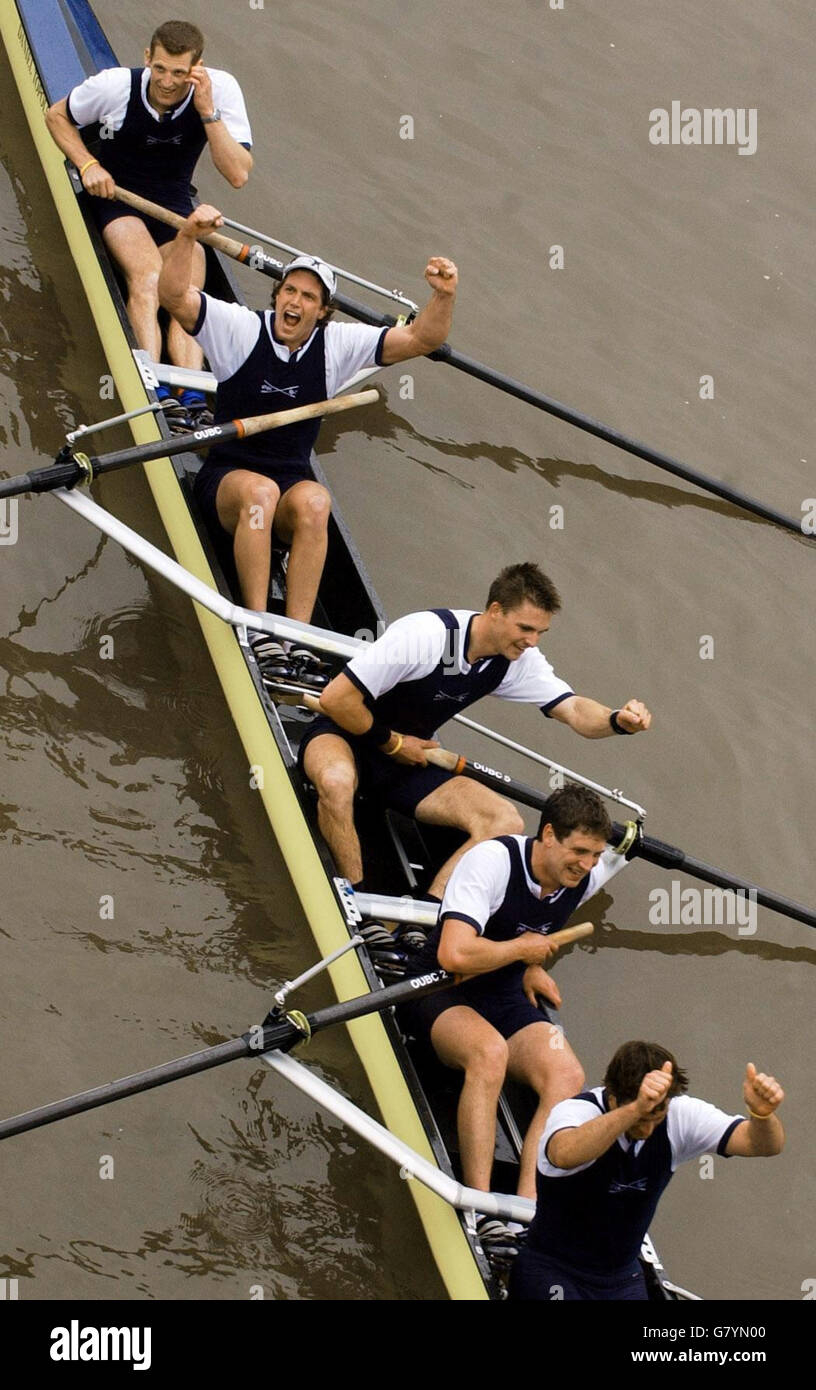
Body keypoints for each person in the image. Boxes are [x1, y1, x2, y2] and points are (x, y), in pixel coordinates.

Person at [158, 204, 458, 686]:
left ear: (322, 312)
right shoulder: (241, 328)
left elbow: (423, 338)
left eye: (309, 297)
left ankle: (296, 639)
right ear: (278, 295)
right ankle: (259, 628)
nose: (295, 302)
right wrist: (188, 237)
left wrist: (443, 295)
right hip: (227, 483)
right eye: (290, 291)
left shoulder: (337, 344)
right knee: (260, 493)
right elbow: (173, 295)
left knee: (317, 501)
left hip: (286, 490)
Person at [303, 561, 651, 894]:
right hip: (342, 736)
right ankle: (356, 901)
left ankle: (432, 914)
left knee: (506, 823)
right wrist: (392, 743)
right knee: (336, 782)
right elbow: (337, 700)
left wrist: (616, 720)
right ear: (495, 611)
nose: (532, 641)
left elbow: (573, 709)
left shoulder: (518, 661)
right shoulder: (425, 635)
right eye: (525, 629)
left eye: (540, 632)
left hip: (410, 762)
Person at [399, 785, 626, 1254]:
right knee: (490, 1054)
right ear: (548, 835)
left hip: (503, 995)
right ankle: (479, 1209)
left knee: (568, 1075)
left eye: (595, 855)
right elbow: (454, 953)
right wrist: (523, 951)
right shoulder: (491, 862)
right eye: (579, 852)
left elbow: (621, 850)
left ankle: (526, 1211)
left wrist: (530, 967)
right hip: (439, 990)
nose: (587, 865)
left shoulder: (584, 874)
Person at [45, 20, 253, 429]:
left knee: (188, 295)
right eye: (159, 69)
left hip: (173, 205)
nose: (167, 82)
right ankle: (153, 391)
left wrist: (207, 112)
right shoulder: (115, 86)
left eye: (179, 73)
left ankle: (192, 398)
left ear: (197, 69)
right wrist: (88, 165)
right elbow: (56, 117)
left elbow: (237, 175)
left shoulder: (220, 90)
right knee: (149, 276)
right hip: (116, 196)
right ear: (147, 58)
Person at [509, 1040, 785, 1300]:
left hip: (619, 1279)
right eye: (640, 1118)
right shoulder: (576, 1111)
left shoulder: (680, 1115)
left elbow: (761, 1144)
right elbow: (564, 1154)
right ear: (613, 1097)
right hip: (552, 1269)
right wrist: (636, 1109)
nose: (647, 1129)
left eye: (656, 1116)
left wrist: (762, 1115)